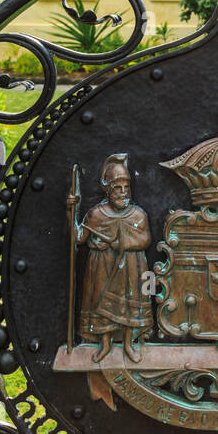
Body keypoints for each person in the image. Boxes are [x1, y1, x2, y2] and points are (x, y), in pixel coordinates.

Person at [76, 153, 151, 363]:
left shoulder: (138, 215)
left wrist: (122, 243)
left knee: (127, 305)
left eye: (127, 188)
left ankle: (128, 344)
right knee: (101, 303)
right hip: (102, 267)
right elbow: (80, 237)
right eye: (118, 188)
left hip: (130, 268)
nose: (123, 192)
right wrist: (70, 213)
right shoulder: (96, 214)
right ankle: (105, 343)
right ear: (108, 189)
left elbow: (145, 240)